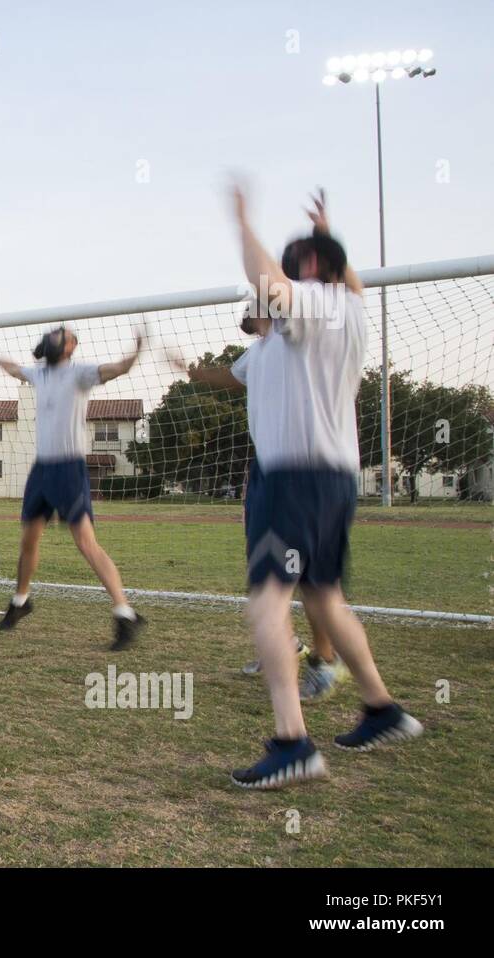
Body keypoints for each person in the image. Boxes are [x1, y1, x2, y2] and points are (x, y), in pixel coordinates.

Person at [227, 182, 422, 789]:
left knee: (267, 599)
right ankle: (381, 707)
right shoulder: (354, 308)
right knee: (324, 597)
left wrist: (242, 219)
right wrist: (327, 234)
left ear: (311, 268)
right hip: (334, 480)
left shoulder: (311, 301)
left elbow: (270, 286)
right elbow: (347, 282)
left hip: (293, 481)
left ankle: (292, 742)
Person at [188, 247, 348, 703]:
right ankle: (284, 645)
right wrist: (190, 370)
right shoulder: (256, 354)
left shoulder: (297, 343)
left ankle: (324, 658)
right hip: (266, 472)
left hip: (303, 470)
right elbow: (227, 377)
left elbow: (325, 301)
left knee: (308, 574)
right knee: (269, 569)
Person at [0, 328, 146, 649]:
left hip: (69, 470)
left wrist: (137, 349)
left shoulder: (81, 373)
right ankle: (21, 602)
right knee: (28, 540)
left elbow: (118, 369)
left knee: (86, 543)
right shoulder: (40, 374)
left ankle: (125, 613)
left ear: (72, 346)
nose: (53, 336)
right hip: (41, 471)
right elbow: (13, 369)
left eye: (60, 334)